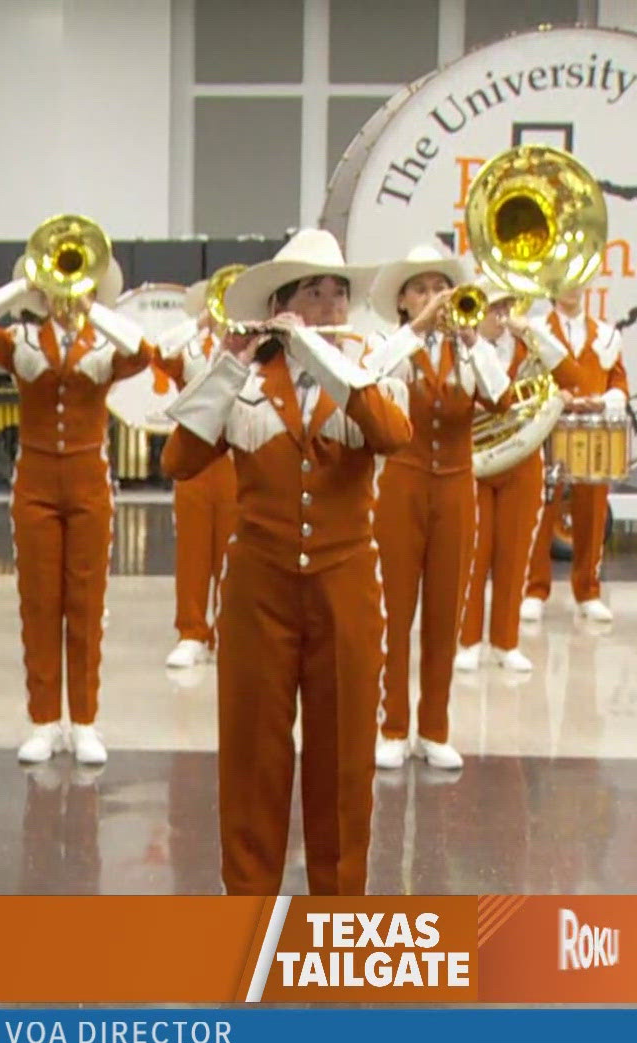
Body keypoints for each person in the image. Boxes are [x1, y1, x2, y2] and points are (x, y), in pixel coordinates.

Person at [160, 229, 411, 894]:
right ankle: (248, 921)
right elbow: (179, 462)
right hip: (256, 593)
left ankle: (337, 922)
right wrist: (232, 364)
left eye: (337, 292)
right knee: (251, 761)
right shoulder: (244, 377)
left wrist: (324, 357)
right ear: (281, 303)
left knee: (342, 764)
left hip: (347, 588)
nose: (328, 304)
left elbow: (391, 434)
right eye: (311, 291)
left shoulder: (373, 369)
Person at [0, 250, 159, 766]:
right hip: (36, 484)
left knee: (86, 603)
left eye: (79, 283)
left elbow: (143, 355)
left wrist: (91, 309)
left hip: (91, 482)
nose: (67, 295)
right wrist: (22, 289)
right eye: (58, 286)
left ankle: (86, 720)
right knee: (40, 601)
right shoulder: (24, 341)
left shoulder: (104, 341)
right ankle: (45, 720)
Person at [362, 244, 511, 771]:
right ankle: (392, 725)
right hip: (400, 487)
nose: (433, 298)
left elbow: (500, 395)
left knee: (446, 610)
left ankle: (435, 727)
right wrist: (418, 330)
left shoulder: (467, 349)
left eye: (439, 289)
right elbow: (369, 377)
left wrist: (473, 340)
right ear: (402, 301)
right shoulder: (389, 343)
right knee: (394, 610)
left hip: (455, 488)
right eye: (421, 289)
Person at [457, 285, 576, 674]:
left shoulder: (530, 350)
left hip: (523, 462)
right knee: (472, 555)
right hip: (474, 461)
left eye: (507, 307)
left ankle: (506, 642)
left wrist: (533, 332)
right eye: (495, 308)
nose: (502, 315)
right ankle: (468, 640)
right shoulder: (462, 350)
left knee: (515, 554)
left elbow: (573, 376)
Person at [522, 287, 627, 624]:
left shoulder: (608, 335)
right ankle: (534, 590)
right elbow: (524, 379)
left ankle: (588, 591)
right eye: (563, 280)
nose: (572, 288)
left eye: (578, 279)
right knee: (540, 511)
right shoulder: (535, 330)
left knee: (593, 512)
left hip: (592, 432)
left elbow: (620, 385)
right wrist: (553, 398)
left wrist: (603, 401)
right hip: (547, 431)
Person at [156, 273, 241, 670]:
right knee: (192, 549)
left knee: (233, 550)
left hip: (238, 462)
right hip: (194, 463)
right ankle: (191, 632)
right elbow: (157, 353)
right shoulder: (192, 350)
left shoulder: (254, 353)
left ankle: (228, 630)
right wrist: (201, 322)